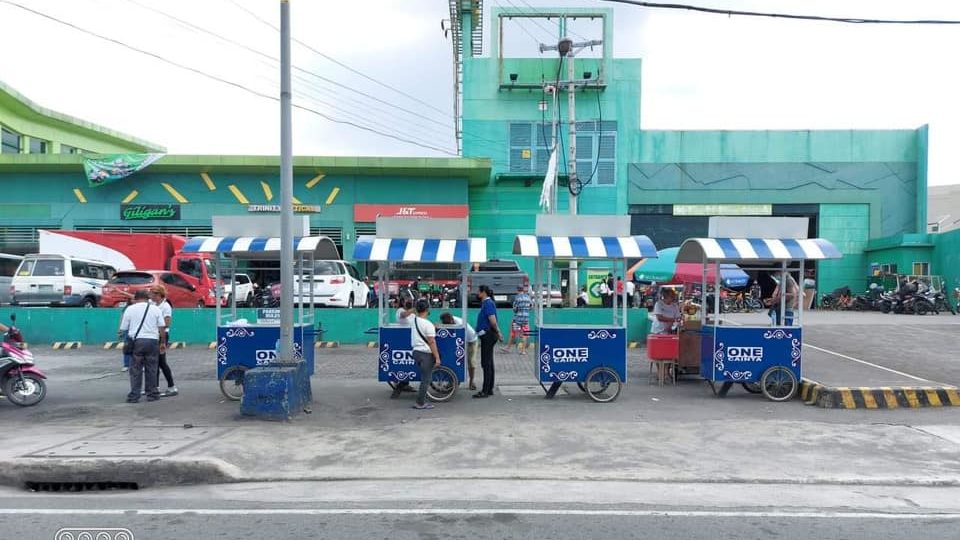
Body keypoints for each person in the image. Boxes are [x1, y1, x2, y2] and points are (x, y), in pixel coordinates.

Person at [117, 289, 166, 403]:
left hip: (137, 342)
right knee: (152, 368)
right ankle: (152, 394)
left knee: (135, 369)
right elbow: (162, 328)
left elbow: (123, 328)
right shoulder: (155, 309)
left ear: (135, 298)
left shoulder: (130, 309)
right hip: (153, 341)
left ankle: (134, 395)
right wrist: (162, 343)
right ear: (147, 298)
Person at [410, 299, 441, 410]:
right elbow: (432, 342)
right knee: (426, 379)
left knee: (424, 377)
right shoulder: (428, 325)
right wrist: (437, 357)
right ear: (427, 309)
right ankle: (420, 403)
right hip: (425, 354)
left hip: (416, 352)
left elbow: (422, 324)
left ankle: (420, 401)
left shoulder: (414, 321)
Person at [474, 285, 502, 398]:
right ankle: (489, 388)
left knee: (486, 363)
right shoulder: (486, 303)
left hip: (488, 335)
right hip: (488, 335)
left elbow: (493, 321)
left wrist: (498, 332)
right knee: (489, 362)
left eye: (478, 291)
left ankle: (485, 390)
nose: (477, 293)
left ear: (483, 292)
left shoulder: (488, 303)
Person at [150, 285, 178, 397]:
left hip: (162, 335)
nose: (151, 296)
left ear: (158, 295)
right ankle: (155, 387)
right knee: (155, 363)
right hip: (154, 335)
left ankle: (172, 387)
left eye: (153, 294)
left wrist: (153, 326)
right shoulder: (152, 304)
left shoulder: (166, 306)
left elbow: (167, 323)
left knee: (161, 362)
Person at [441, 312, 478, 390]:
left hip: (471, 341)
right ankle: (454, 381)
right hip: (462, 340)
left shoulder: (459, 323)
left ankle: (471, 382)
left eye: (449, 324)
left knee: (471, 362)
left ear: (452, 320)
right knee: (456, 361)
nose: (449, 326)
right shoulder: (448, 320)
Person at [391, 299, 417, 398]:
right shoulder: (400, 311)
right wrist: (413, 310)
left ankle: (405, 384)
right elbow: (403, 315)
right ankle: (400, 383)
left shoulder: (413, 314)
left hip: (412, 339)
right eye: (407, 301)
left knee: (410, 362)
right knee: (404, 362)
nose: (409, 303)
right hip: (402, 339)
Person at [503, 285, 532, 355]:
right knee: (524, 334)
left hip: (517, 320)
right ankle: (523, 351)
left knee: (513, 333)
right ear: (523, 289)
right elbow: (531, 306)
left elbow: (515, 309)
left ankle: (507, 348)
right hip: (525, 319)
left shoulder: (517, 298)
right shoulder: (528, 297)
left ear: (517, 290)